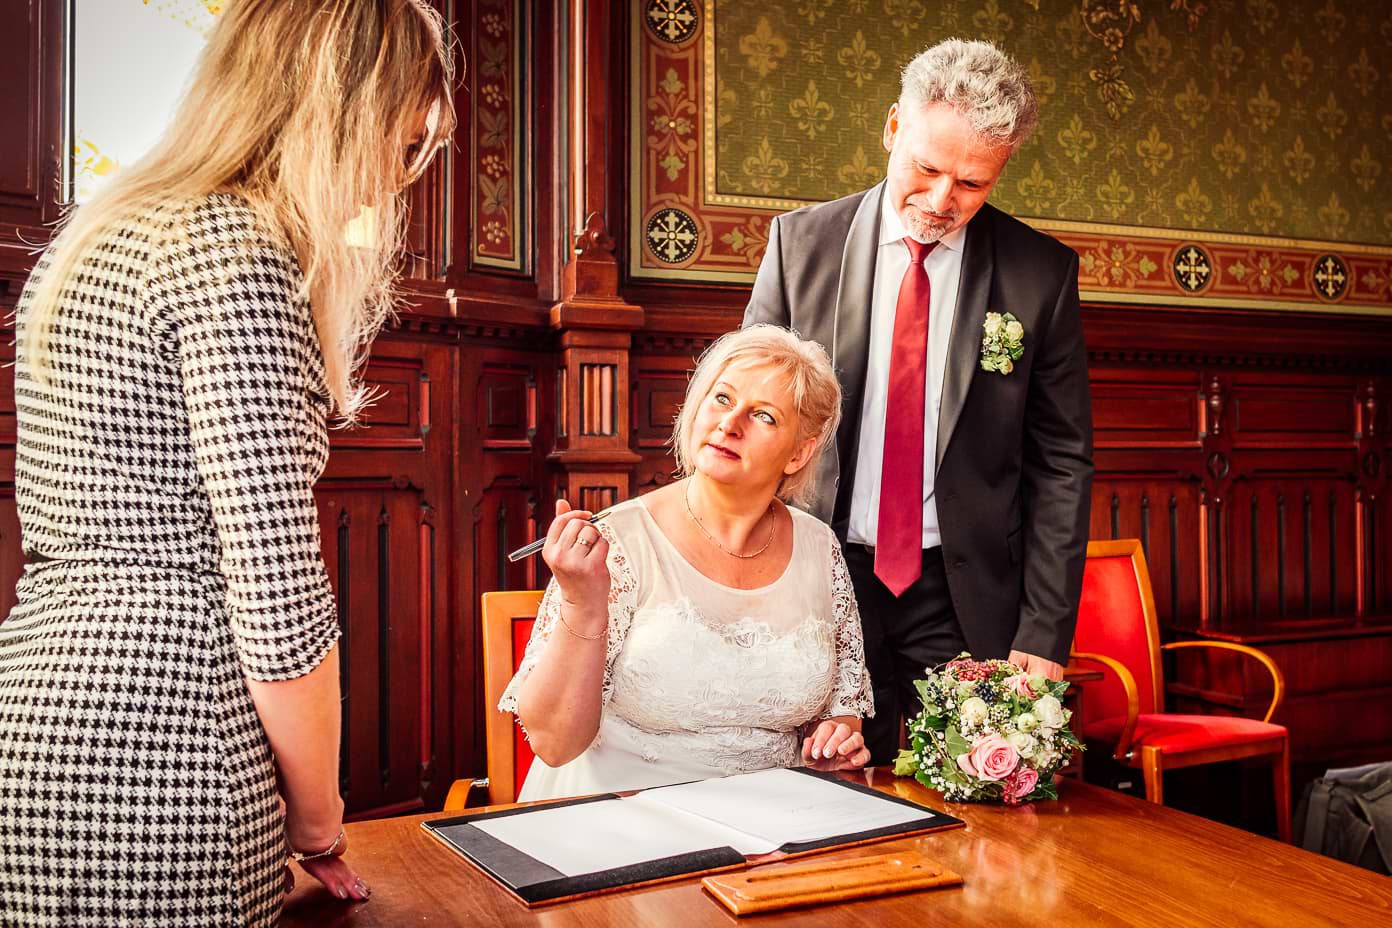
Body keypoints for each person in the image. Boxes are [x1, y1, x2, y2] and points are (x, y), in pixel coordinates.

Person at [0, 2, 455, 923]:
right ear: (335, 111)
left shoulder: (95, 238)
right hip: (168, 744)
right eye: (397, 143)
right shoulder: (238, 255)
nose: (389, 185)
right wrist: (321, 824)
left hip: (37, 705)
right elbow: (279, 599)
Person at [742, 38, 1094, 765]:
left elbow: (1062, 461)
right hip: (821, 578)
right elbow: (746, 422)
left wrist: (1043, 631)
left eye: (971, 184)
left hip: (965, 591)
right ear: (892, 126)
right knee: (827, 801)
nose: (941, 202)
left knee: (987, 825)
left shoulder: (1041, 275)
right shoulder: (799, 244)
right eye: (928, 170)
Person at [501, 325, 874, 801]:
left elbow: (840, 709)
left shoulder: (820, 546)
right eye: (722, 398)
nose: (730, 423)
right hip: (614, 817)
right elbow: (554, 745)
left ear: (799, 452)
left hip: (773, 828)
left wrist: (833, 745)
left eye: (763, 415)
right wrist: (582, 602)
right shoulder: (617, 539)